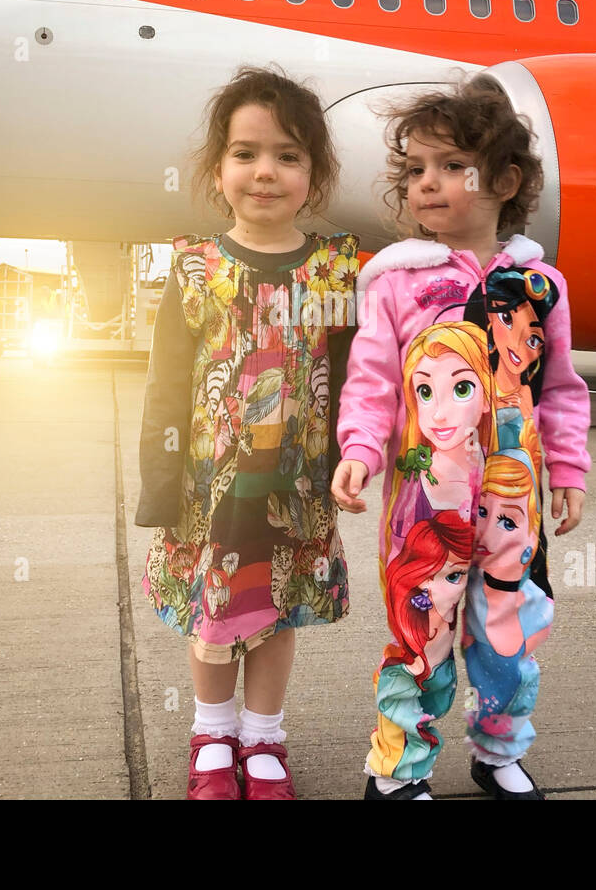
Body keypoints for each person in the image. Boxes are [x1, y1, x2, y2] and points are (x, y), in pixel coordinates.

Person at [332, 77, 591, 800]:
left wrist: (569, 470)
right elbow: (371, 381)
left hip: (513, 503)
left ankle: (499, 750)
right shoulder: (394, 284)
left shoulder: (539, 286)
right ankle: (398, 768)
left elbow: (561, 388)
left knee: (510, 631)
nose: (427, 182)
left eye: (451, 166)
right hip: (424, 505)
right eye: (416, 169)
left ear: (504, 181)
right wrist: (358, 449)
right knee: (422, 633)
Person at [136, 65, 359, 800]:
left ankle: (263, 740)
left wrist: (353, 458)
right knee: (215, 615)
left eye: (288, 156)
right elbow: (166, 386)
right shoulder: (195, 270)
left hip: (295, 491)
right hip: (210, 492)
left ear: (314, 176)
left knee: (277, 612)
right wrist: (160, 483)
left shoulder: (334, 272)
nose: (265, 171)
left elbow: (352, 381)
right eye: (245, 153)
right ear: (218, 170)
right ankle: (212, 735)